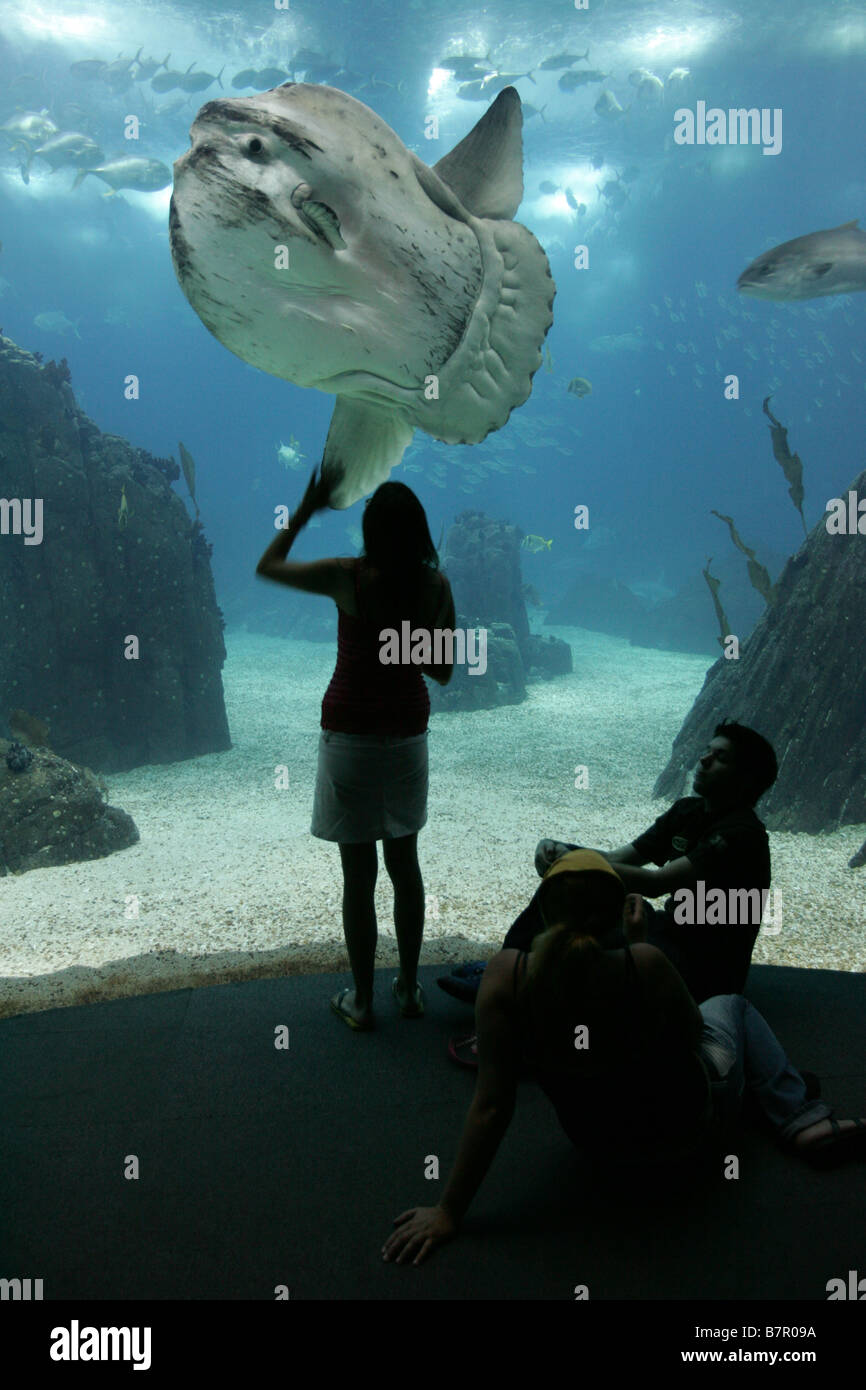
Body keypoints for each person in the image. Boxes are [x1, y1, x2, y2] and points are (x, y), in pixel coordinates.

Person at [384, 851, 866, 1266]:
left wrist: (448, 1211)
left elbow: (492, 1106)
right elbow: (691, 1037)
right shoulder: (644, 963)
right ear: (616, 912)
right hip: (685, 1137)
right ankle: (801, 1117)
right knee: (729, 1008)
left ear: (545, 911)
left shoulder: (506, 975)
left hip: (600, 1146)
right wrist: (641, 946)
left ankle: (761, 1093)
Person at [256, 471, 456, 1029]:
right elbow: (441, 670)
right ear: (419, 532)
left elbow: (268, 566)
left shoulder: (348, 577)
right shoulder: (436, 587)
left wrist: (306, 507)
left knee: (358, 874)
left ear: (370, 530)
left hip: (349, 738)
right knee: (405, 864)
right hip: (407, 736)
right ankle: (411, 989)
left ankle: (363, 1001)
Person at [439, 721, 777, 1011]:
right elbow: (619, 858)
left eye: (720, 758)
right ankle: (513, 963)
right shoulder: (689, 811)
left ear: (745, 780)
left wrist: (571, 863)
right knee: (578, 888)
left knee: (579, 894)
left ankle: (517, 981)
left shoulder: (740, 834)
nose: (704, 760)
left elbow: (655, 882)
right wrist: (563, 849)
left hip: (702, 970)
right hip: (667, 933)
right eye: (708, 750)